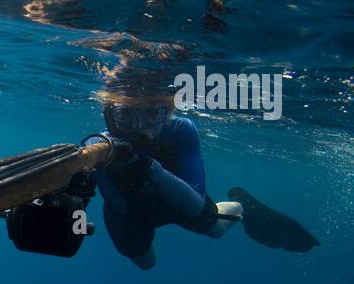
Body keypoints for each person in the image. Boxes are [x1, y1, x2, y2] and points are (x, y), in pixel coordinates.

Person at [88, 102, 242, 270]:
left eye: (151, 112)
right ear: (110, 116)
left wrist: (145, 165)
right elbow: (119, 207)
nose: (139, 125)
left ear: (167, 112)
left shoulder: (180, 129)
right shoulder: (100, 146)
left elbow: (195, 204)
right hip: (132, 212)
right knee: (146, 263)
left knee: (217, 230)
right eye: (126, 113)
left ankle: (240, 204)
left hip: (178, 197)